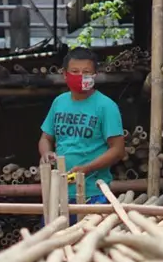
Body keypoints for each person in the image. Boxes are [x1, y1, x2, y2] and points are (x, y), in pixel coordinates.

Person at [38, 47, 125, 214]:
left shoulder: (106, 106)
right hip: (58, 193)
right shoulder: (59, 102)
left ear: (95, 75)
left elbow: (118, 149)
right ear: (65, 74)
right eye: (75, 71)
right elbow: (46, 138)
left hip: (94, 194)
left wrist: (87, 168)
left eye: (86, 72)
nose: (80, 76)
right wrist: (46, 153)